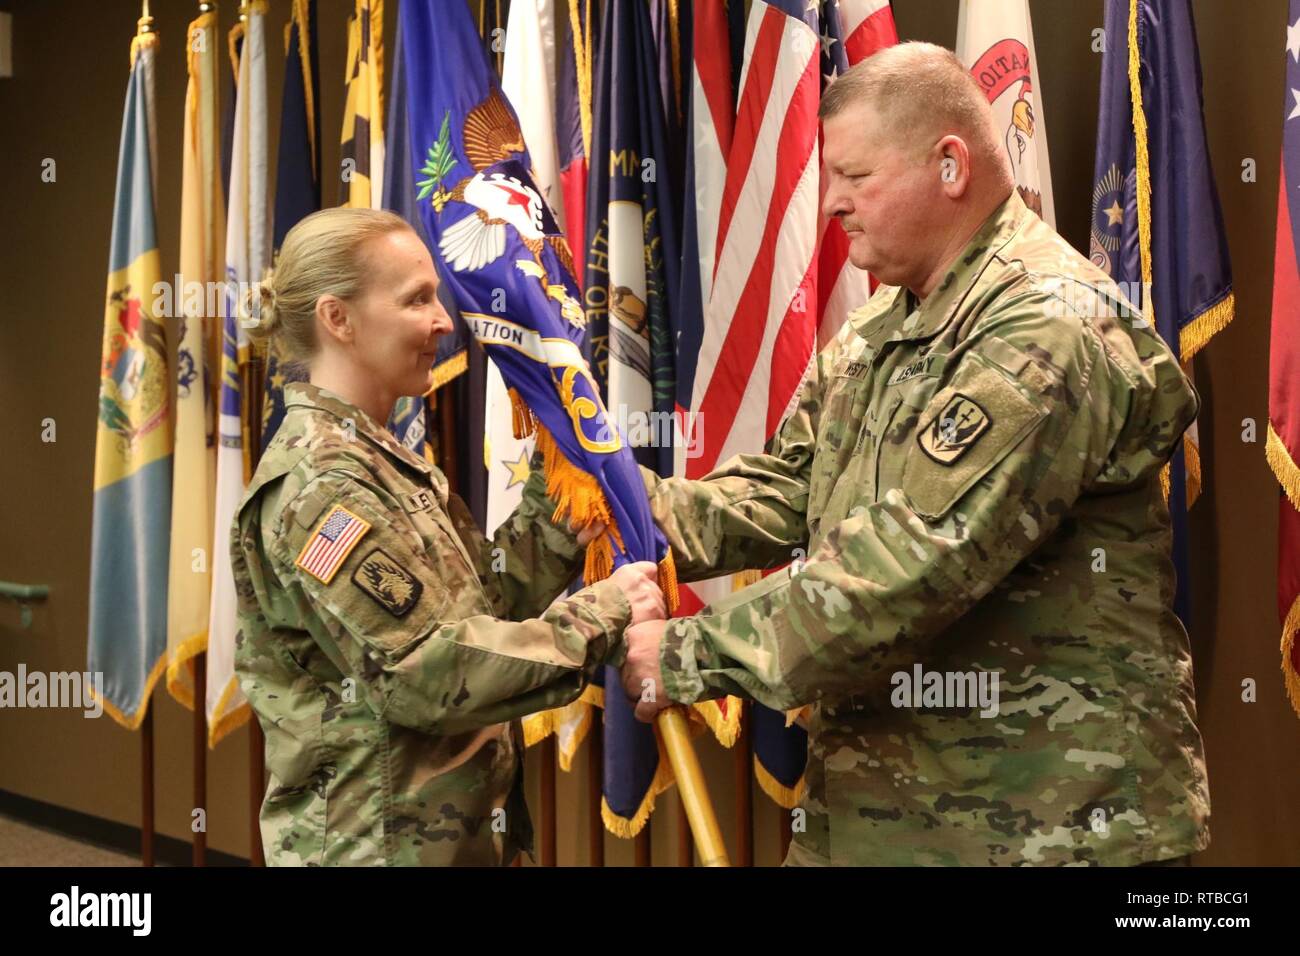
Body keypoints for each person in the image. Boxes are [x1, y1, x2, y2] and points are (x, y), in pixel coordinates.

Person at [621, 42, 1210, 866]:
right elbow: (786, 489)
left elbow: (908, 565)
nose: (829, 203)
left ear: (949, 165)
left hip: (1046, 827)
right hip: (880, 820)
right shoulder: (879, 329)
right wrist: (620, 501)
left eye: (854, 178)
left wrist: (687, 655)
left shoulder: (1046, 324)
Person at [231, 207, 663, 866]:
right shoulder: (322, 485)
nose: (443, 321)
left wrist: (559, 506)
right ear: (337, 319)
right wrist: (605, 612)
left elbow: (474, 606)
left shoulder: (379, 457)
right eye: (416, 301)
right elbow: (430, 671)